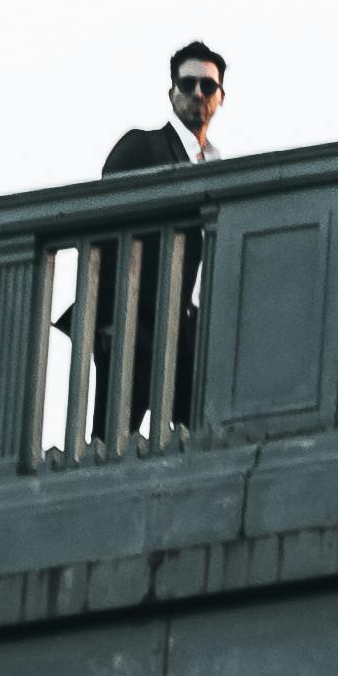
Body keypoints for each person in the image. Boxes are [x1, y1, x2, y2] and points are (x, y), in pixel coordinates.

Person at [80, 39, 226, 442]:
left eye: (207, 86)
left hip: (183, 326)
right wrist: (107, 318)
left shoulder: (217, 165)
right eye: (187, 84)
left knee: (196, 438)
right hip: (133, 319)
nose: (197, 93)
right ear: (172, 93)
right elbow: (103, 229)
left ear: (220, 97)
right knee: (111, 441)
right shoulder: (143, 145)